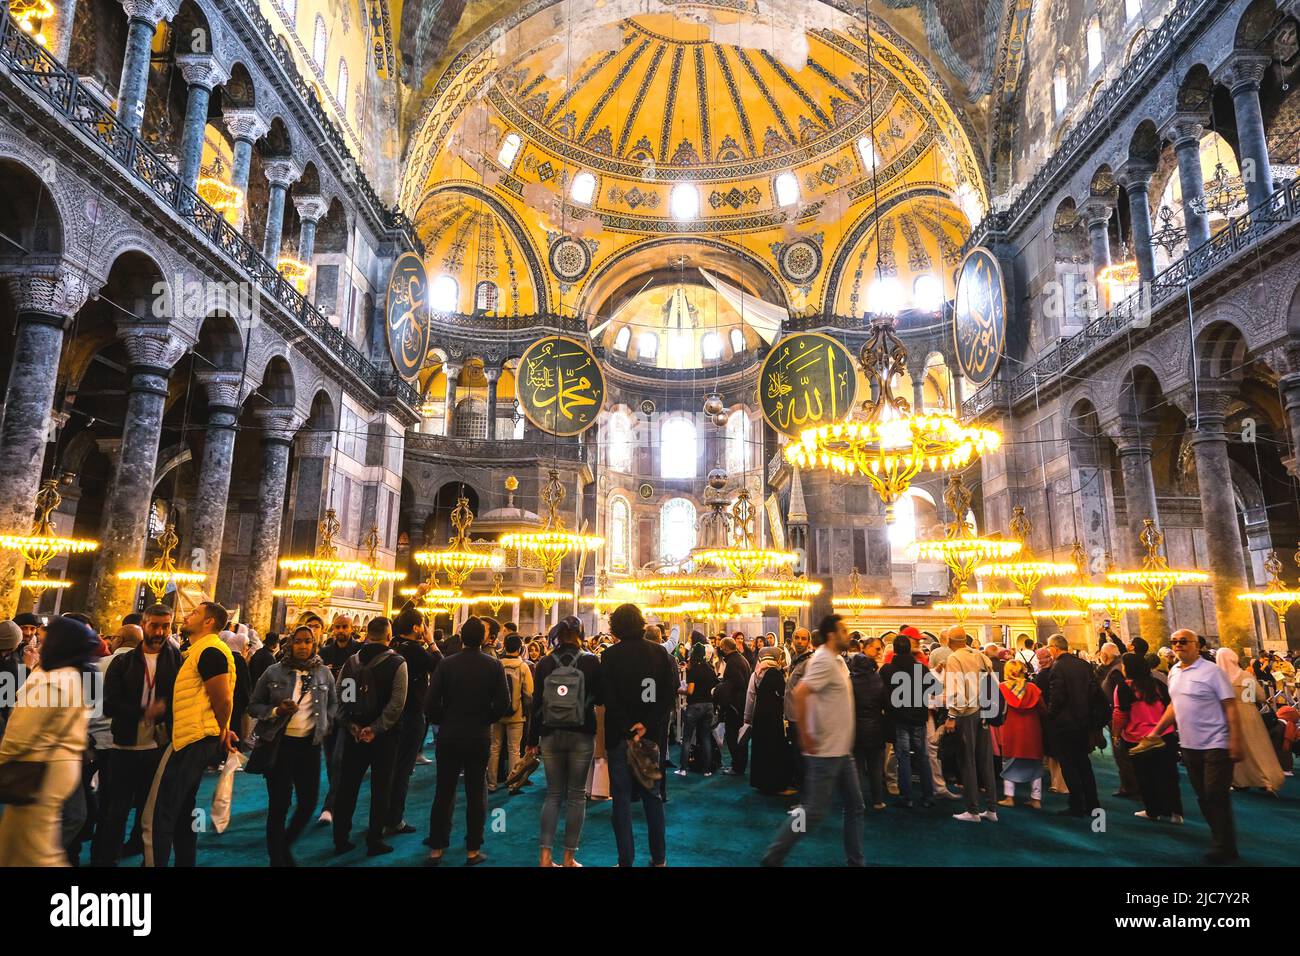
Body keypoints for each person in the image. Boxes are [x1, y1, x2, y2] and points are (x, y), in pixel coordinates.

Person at [761, 614, 864, 867]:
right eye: (843, 630)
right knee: (812, 813)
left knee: (855, 805)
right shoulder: (823, 660)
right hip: (825, 751)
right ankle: (773, 856)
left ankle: (856, 860)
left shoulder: (838, 660)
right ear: (832, 635)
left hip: (841, 750)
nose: (848, 634)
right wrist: (806, 735)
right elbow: (800, 693)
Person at [141, 601, 238, 867]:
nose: (187, 615)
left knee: (158, 813)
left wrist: (222, 730)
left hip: (191, 740)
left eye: (195, 612)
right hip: (193, 736)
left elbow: (223, 699)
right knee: (183, 811)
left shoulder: (210, 651)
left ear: (208, 622)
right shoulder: (198, 651)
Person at [0, 616, 97, 867]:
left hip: (39, 768)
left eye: (46, 641)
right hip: (60, 766)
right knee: (13, 842)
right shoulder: (75, 676)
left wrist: (3, 759)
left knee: (36, 850)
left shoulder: (52, 682)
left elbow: (20, 731)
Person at [91, 604, 182, 866]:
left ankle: (142, 853)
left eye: (166, 626)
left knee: (149, 810)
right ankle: (106, 859)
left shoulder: (176, 660)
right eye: (154, 625)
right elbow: (108, 704)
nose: (160, 631)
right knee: (116, 811)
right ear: (144, 625)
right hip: (124, 747)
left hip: (158, 746)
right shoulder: (123, 662)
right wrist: (143, 711)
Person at [1146, 630, 1242, 863]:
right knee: (1203, 796)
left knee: (1214, 794)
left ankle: (1224, 846)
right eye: (1174, 642)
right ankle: (1221, 838)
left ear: (1197, 645)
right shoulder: (1174, 672)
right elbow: (1174, 707)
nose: (1178, 646)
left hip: (1216, 743)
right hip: (1189, 744)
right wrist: (1157, 730)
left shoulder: (1212, 672)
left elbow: (1230, 706)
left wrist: (1236, 740)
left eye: (1184, 642)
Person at [247, 625, 338, 866]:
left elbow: (334, 704)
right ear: (290, 644)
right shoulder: (273, 672)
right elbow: (253, 705)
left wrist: (326, 724)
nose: (303, 646)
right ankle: (277, 859)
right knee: (279, 805)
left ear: (314, 644)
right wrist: (277, 710)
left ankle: (283, 846)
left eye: (308, 641)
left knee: (308, 803)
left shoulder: (324, 674)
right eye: (298, 641)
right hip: (280, 746)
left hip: (309, 747)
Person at [425, 616, 510, 865]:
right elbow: (503, 704)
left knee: (444, 791)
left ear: (461, 638)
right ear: (484, 639)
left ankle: (436, 848)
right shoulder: (493, 666)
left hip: (450, 735)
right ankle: (472, 850)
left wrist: (446, 718)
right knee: (475, 792)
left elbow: (429, 703)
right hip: (478, 736)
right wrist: (485, 719)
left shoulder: (446, 665)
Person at [601, 604, 677, 867]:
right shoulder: (659, 653)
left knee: (621, 800)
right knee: (652, 798)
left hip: (620, 737)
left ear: (615, 626)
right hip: (650, 737)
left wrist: (628, 726)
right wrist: (646, 724)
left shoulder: (610, 656)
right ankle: (659, 859)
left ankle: (626, 860)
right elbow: (668, 694)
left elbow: (607, 697)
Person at [526, 618, 602, 867]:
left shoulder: (546, 662)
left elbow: (536, 703)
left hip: (550, 734)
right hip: (581, 733)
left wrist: (531, 740)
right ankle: (569, 858)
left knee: (553, 794)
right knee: (577, 796)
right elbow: (601, 698)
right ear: (580, 634)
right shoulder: (590, 660)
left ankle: (544, 858)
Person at [332, 616, 408, 857]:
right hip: (383, 737)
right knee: (381, 787)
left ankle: (340, 837)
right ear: (389, 636)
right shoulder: (397, 663)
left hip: (355, 734)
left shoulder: (351, 662)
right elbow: (396, 704)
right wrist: (375, 729)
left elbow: (342, 698)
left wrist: (353, 726)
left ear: (366, 634)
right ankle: (374, 840)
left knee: (348, 785)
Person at [387, 606, 442, 836]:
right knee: (402, 769)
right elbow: (441, 666)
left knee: (388, 767)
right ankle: (394, 819)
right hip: (410, 714)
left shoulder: (391, 646)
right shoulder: (416, 650)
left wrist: (416, 597)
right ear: (417, 627)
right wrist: (431, 642)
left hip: (389, 715)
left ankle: (380, 815)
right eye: (423, 625)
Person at [1113, 652, 1181, 823]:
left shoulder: (1124, 687)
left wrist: (1116, 733)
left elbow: (1120, 713)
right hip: (1164, 735)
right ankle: (1175, 813)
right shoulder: (1157, 684)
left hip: (1138, 739)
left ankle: (1153, 810)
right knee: (1168, 775)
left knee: (1145, 776)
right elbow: (1170, 707)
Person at [942, 626, 998, 822]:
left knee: (967, 762)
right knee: (985, 761)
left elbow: (956, 690)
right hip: (984, 711)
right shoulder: (980, 655)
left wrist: (951, 716)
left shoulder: (955, 658)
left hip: (967, 714)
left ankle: (973, 811)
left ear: (949, 641)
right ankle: (991, 810)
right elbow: (993, 685)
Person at [880, 634, 937, 808]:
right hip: (919, 718)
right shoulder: (921, 669)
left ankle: (906, 797)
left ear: (895, 650)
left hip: (897, 719)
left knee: (902, 758)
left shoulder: (887, 670)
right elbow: (934, 689)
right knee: (923, 757)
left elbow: (880, 694)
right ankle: (928, 796)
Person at [1045, 634, 1100, 817]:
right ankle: (1092, 803)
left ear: (1054, 648)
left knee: (1069, 766)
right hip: (1083, 722)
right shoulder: (1083, 665)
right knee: (1084, 764)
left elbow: (1057, 698)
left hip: (1065, 725)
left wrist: (1049, 716)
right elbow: (1093, 693)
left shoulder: (1058, 667)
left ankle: (1076, 804)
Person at [1215, 648, 1284, 794]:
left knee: (1237, 749)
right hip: (1250, 714)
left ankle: (1241, 781)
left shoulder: (1219, 678)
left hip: (1228, 716)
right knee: (1259, 748)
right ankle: (1267, 780)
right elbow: (1260, 696)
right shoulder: (1246, 675)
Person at [316, 613, 363, 826]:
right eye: (338, 627)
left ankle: (330, 806)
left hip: (348, 713)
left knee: (338, 760)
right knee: (330, 761)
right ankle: (337, 798)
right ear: (332, 629)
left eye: (345, 627)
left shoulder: (358, 652)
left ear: (351, 629)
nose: (341, 631)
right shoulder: (324, 652)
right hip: (327, 713)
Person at [489, 633, 534, 792]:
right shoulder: (523, 667)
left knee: (494, 748)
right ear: (520, 648)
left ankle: (492, 783)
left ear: (505, 646)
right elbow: (529, 692)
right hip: (516, 715)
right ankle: (513, 783)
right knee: (514, 749)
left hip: (497, 714)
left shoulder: (496, 664)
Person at [996, 659, 1044, 808]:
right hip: (1032, 730)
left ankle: (1009, 798)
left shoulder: (1002, 688)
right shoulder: (1033, 688)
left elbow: (997, 710)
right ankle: (1036, 799)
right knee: (1035, 764)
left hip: (1011, 729)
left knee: (1008, 762)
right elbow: (1043, 709)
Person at [748, 646, 794, 795]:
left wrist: (747, 719)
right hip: (772, 718)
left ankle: (762, 783)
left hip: (760, 716)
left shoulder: (757, 672)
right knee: (773, 751)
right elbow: (784, 695)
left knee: (762, 750)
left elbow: (750, 696)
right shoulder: (774, 672)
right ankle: (774, 785)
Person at [848, 640, 886, 810]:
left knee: (856, 768)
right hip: (876, 728)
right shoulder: (878, 680)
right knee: (875, 767)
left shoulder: (849, 682)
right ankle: (878, 801)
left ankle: (858, 801)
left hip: (856, 729)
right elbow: (885, 703)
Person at [677, 640, 717, 776]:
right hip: (709, 705)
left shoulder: (693, 669)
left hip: (695, 706)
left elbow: (690, 691)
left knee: (687, 737)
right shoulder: (710, 669)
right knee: (705, 737)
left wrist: (679, 690)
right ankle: (707, 769)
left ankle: (683, 768)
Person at [715, 636, 751, 775]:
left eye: (721, 648)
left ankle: (737, 766)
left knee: (733, 737)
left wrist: (720, 688)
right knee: (739, 737)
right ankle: (739, 764)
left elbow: (737, 683)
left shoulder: (734, 662)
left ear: (725, 648)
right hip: (741, 704)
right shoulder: (740, 659)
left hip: (735, 706)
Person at [784, 627, 813, 788]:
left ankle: (804, 790)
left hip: (802, 718)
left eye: (803, 639)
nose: (800, 641)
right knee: (796, 753)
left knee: (802, 755)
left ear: (808, 642)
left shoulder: (809, 662)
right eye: (797, 638)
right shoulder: (797, 660)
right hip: (793, 716)